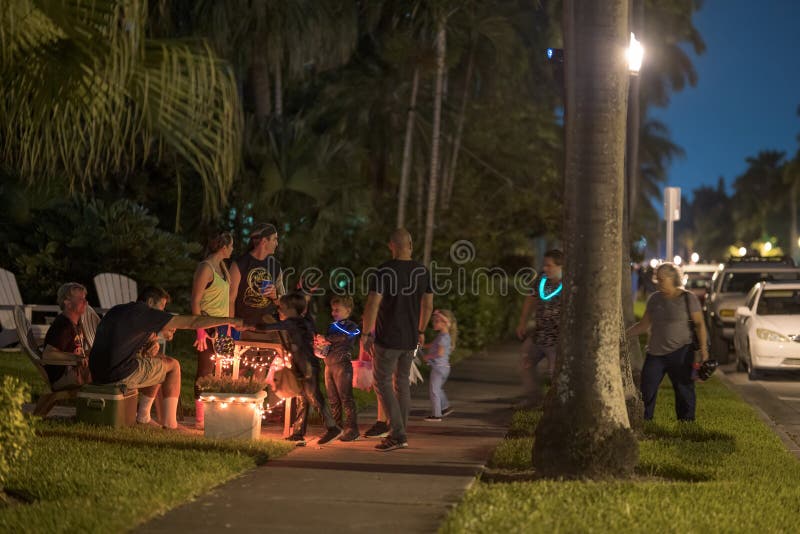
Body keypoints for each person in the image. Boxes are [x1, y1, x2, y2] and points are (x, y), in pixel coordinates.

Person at [89, 286, 243, 429]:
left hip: (97, 372)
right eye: (162, 307)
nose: (162, 312)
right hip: (117, 374)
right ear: (150, 302)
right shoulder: (144, 313)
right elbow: (192, 322)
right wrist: (230, 320)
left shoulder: (122, 310)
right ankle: (169, 424)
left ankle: (144, 417)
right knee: (173, 365)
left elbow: (124, 341)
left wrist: (154, 338)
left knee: (158, 360)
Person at [362, 229, 433, 452]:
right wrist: (421, 329)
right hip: (410, 338)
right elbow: (428, 305)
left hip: (388, 338)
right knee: (402, 383)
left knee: (382, 382)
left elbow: (373, 303)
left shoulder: (385, 270)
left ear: (391, 245)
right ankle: (401, 431)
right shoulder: (422, 271)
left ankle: (397, 433)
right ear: (410, 244)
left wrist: (365, 334)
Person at [254, 293, 343, 445]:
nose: (279, 311)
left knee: (314, 397)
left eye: (282, 308)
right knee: (303, 398)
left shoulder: (293, 323)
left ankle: (332, 427)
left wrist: (248, 325)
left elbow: (268, 327)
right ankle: (298, 433)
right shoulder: (303, 321)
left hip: (307, 366)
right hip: (302, 366)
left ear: (291, 310)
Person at [627, 262, 709, 421]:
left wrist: (703, 350)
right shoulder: (654, 299)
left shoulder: (688, 298)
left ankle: (686, 423)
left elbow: (699, 324)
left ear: (673, 279)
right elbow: (644, 325)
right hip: (655, 354)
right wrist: (623, 335)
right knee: (647, 388)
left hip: (681, 352)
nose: (659, 283)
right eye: (657, 279)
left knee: (684, 390)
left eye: (662, 280)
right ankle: (645, 420)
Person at [191, 231, 234, 429]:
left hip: (223, 326)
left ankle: (216, 412)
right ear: (223, 247)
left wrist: (230, 324)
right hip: (207, 324)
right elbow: (196, 300)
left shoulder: (223, 267)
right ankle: (201, 418)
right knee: (205, 371)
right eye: (231, 245)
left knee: (221, 369)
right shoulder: (206, 268)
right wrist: (200, 330)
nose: (233, 249)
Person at [515, 249, 563, 407]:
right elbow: (530, 299)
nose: (545, 269)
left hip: (558, 340)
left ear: (560, 266)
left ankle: (558, 404)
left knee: (554, 373)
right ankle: (533, 399)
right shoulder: (541, 280)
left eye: (549, 266)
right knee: (525, 363)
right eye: (544, 265)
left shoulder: (569, 284)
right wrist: (523, 322)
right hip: (539, 336)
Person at [229, 223, 286, 337]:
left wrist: (275, 296)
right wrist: (232, 324)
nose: (277, 243)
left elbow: (284, 303)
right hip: (242, 328)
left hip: (268, 330)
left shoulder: (275, 266)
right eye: (274, 239)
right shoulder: (240, 264)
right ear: (264, 241)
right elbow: (230, 299)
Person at [319, 295, 361, 441]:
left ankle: (352, 429)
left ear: (348, 310)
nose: (333, 313)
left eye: (337, 310)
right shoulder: (332, 326)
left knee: (346, 398)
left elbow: (348, 336)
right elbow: (327, 343)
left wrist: (327, 338)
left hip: (342, 365)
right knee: (333, 399)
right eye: (333, 310)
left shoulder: (351, 326)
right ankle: (337, 427)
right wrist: (321, 345)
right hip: (329, 365)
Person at [41, 283, 93, 391]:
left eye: (85, 298)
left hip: (73, 371)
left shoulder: (75, 324)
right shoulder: (63, 326)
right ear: (67, 303)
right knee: (107, 372)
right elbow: (47, 354)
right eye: (80, 299)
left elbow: (76, 352)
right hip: (62, 377)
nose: (86, 302)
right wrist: (76, 358)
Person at [422, 309, 456, 422]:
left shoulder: (443, 337)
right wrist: (423, 346)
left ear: (444, 323)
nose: (434, 323)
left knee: (434, 390)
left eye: (437, 321)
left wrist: (428, 356)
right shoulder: (443, 336)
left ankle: (437, 415)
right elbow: (432, 345)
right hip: (444, 367)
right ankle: (445, 407)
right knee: (438, 389)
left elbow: (440, 353)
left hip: (438, 367)